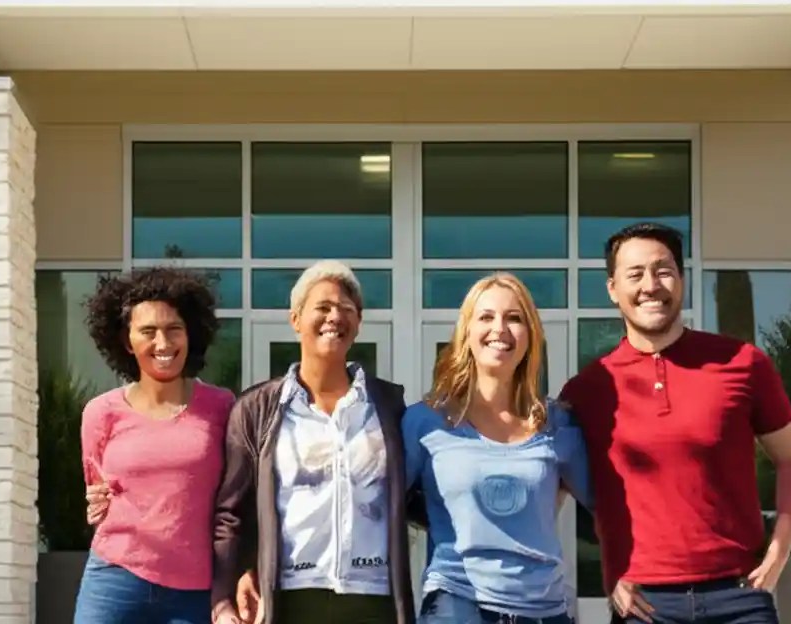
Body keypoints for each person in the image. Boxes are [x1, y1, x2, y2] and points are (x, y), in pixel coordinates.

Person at [560, 223, 791, 624]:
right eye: (635, 273)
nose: (651, 285)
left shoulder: (743, 363)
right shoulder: (588, 389)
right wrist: (610, 576)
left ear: (681, 280)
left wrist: (779, 553)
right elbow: (555, 488)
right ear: (612, 288)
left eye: (663, 271)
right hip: (645, 607)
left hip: (739, 597)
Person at [211, 261, 417, 624]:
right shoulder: (256, 409)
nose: (334, 316)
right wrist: (228, 588)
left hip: (374, 599)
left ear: (358, 323)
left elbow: (419, 493)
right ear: (295, 319)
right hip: (291, 598)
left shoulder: (388, 406)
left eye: (346, 309)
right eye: (322, 307)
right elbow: (232, 511)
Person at [402, 272, 592, 624]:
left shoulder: (558, 424)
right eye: (486, 317)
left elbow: (613, 508)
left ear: (531, 335)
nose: (500, 329)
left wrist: (631, 572)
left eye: (514, 318)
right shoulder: (424, 422)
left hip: (545, 611)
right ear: (467, 332)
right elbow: (381, 506)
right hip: (457, 604)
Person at [74, 267, 237, 624]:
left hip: (193, 590)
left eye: (173, 329)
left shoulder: (222, 407)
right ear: (127, 340)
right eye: (148, 331)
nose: (163, 344)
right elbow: (97, 491)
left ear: (191, 335)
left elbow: (237, 496)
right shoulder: (101, 413)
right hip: (114, 581)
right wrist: (95, 504)